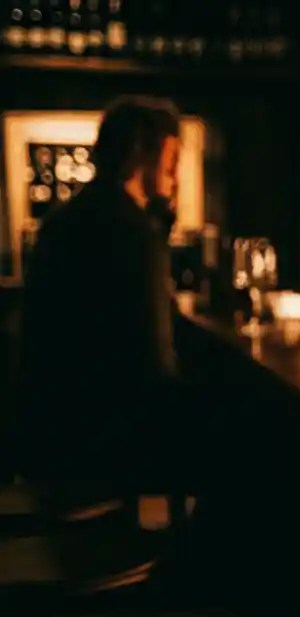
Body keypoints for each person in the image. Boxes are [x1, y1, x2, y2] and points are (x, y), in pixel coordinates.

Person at [15, 95, 188, 510]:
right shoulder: (132, 233)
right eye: (170, 163)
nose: (175, 177)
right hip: (102, 445)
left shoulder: (65, 220)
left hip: (48, 434)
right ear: (140, 157)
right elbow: (154, 363)